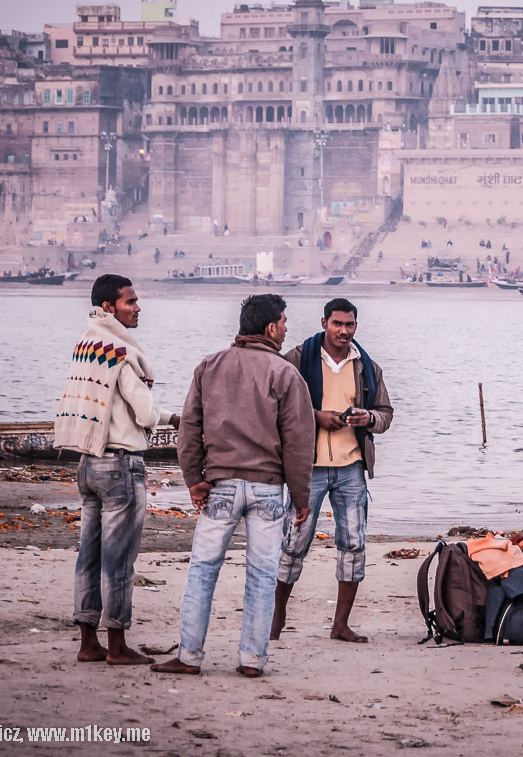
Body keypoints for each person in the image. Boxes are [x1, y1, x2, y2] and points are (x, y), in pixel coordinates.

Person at [150, 295, 315, 678]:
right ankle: (252, 660)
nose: (288, 328)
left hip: (220, 486)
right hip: (268, 489)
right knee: (261, 574)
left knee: (203, 571)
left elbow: (189, 430)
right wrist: (301, 496)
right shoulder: (286, 374)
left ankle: (189, 656)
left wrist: (194, 480)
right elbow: (298, 441)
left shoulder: (209, 366)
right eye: (285, 322)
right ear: (271, 328)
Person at [54, 274, 180, 666]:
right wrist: (173, 417)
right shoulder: (121, 352)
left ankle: (88, 642)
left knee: (88, 557)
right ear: (109, 307)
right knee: (119, 561)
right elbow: (144, 412)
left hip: (87, 462)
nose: (138, 307)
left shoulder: (85, 344)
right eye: (131, 302)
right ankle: (118, 645)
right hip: (120, 466)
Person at [271, 298, 394, 644]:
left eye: (350, 325)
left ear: (356, 326)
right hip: (306, 468)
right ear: (323, 322)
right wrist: (316, 416)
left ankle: (340, 626)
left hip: (351, 468)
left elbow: (385, 413)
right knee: (293, 544)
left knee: (353, 545)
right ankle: (276, 617)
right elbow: (275, 407)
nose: (343, 331)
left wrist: (368, 419)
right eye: (337, 324)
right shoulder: (296, 359)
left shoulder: (367, 366)